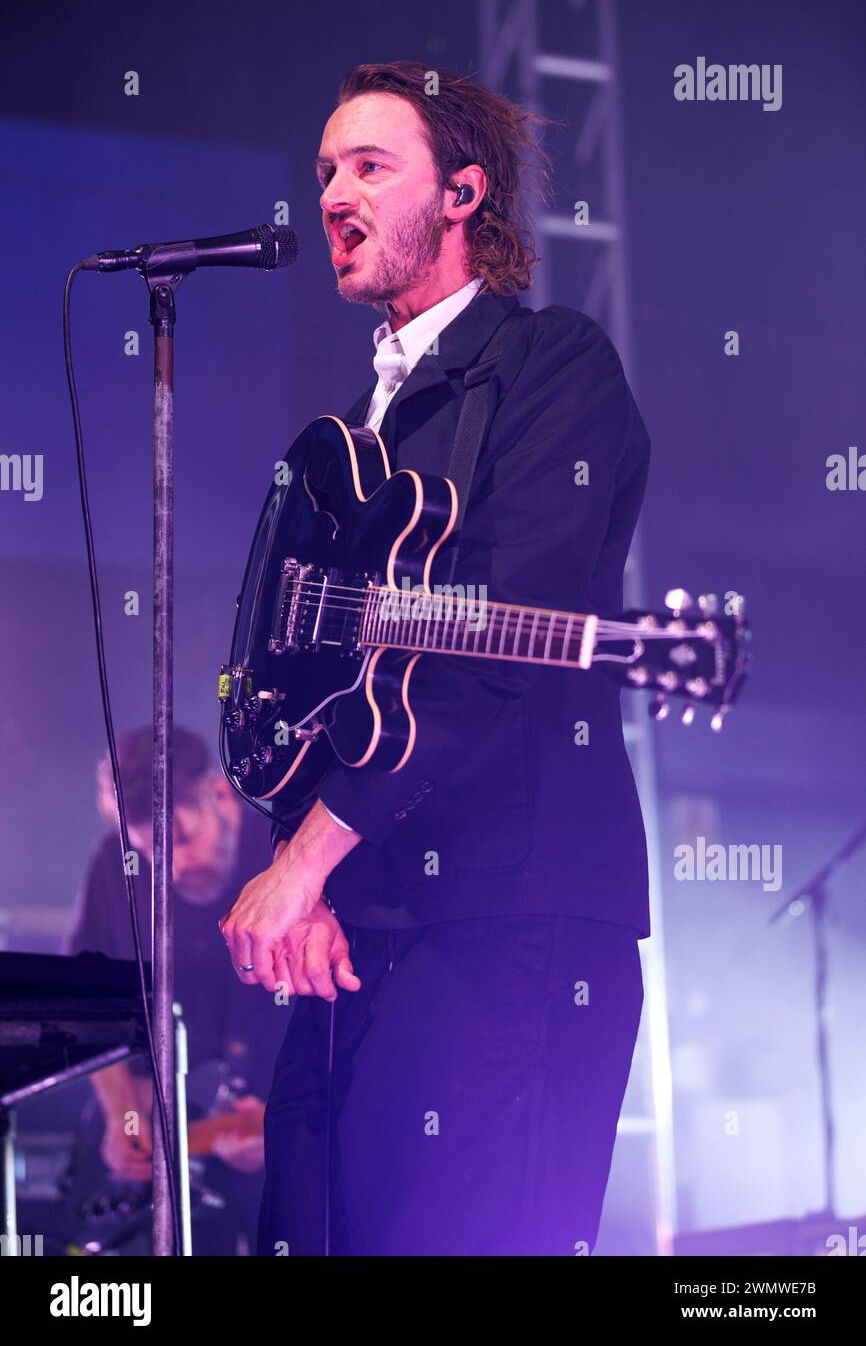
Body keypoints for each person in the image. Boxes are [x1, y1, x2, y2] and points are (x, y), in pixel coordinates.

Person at [220, 61, 651, 1256]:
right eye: (322, 173)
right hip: (365, 928)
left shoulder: (552, 364)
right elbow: (307, 678)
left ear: (462, 193)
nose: (333, 194)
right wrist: (301, 863)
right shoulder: (357, 431)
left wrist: (309, 859)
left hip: (512, 925)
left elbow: (500, 644)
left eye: (370, 165)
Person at [66, 726, 287, 1254]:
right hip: (152, 1134)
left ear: (216, 791)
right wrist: (123, 1116)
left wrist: (278, 1125)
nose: (174, 867)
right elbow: (87, 1009)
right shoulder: (112, 865)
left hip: (264, 1133)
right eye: (151, 854)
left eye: (182, 838)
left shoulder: (281, 855)